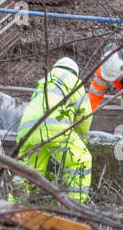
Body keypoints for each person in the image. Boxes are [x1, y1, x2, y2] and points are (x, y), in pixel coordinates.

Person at [12, 56, 95, 202]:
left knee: (28, 171)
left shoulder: (44, 81)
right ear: (75, 72)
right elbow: (84, 115)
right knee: (81, 160)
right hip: (55, 126)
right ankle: (74, 210)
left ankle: (13, 210)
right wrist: (82, 138)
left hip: (28, 129)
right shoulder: (74, 81)